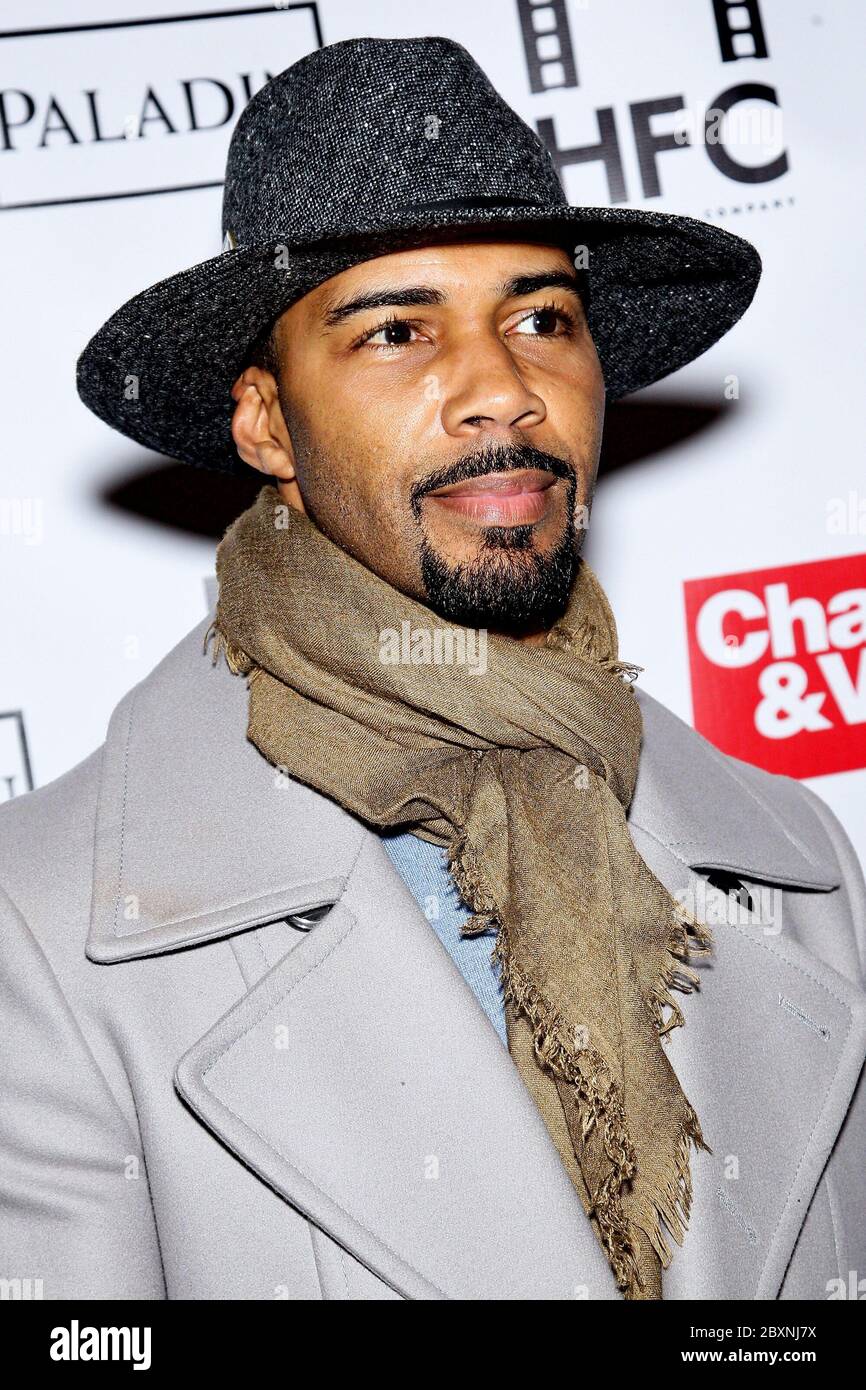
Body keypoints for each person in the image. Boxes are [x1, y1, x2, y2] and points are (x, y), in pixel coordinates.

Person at [1, 36, 863, 1302]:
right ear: (264, 421)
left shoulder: (792, 858)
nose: (500, 390)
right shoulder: (40, 933)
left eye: (539, 318)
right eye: (396, 329)